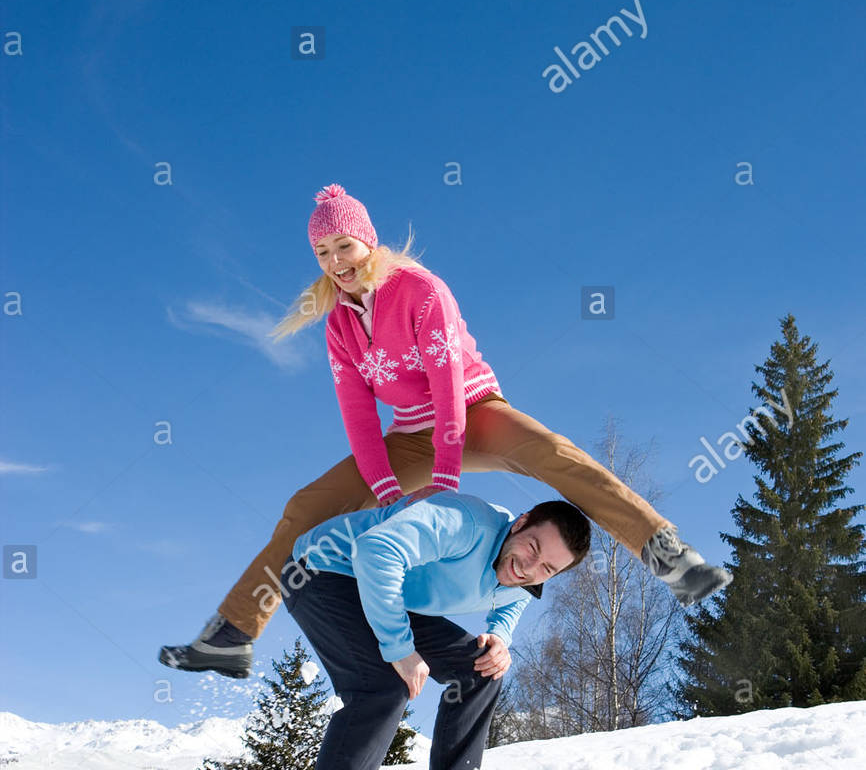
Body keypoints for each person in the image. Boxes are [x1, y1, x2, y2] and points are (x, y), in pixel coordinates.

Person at [160, 183, 730, 681]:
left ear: (369, 243)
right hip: (409, 434)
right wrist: (389, 495)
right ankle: (231, 636)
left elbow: (448, 388)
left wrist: (442, 485)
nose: (337, 261)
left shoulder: (419, 290)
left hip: (473, 409)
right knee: (306, 505)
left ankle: (668, 555)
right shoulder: (337, 323)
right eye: (323, 252)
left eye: (345, 247)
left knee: (554, 454)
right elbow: (359, 419)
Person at [269, 490, 590, 770]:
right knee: (384, 687)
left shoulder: (525, 575)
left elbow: (512, 601)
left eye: (548, 569)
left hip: (389, 595)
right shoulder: (466, 522)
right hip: (323, 571)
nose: (529, 568)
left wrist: (499, 636)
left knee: (482, 668)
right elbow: (376, 550)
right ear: (519, 523)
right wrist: (399, 648)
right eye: (532, 548)